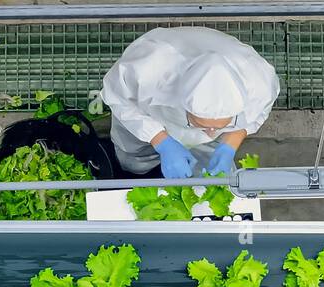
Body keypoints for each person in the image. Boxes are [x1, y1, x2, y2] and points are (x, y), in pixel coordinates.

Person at [101, 27, 281, 179]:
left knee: (207, 157)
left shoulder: (259, 82)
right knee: (134, 157)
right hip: (151, 111)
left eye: (219, 126)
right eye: (200, 125)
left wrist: (229, 144)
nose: (211, 133)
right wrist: (161, 141)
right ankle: (136, 169)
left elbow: (257, 114)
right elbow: (117, 97)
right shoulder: (149, 67)